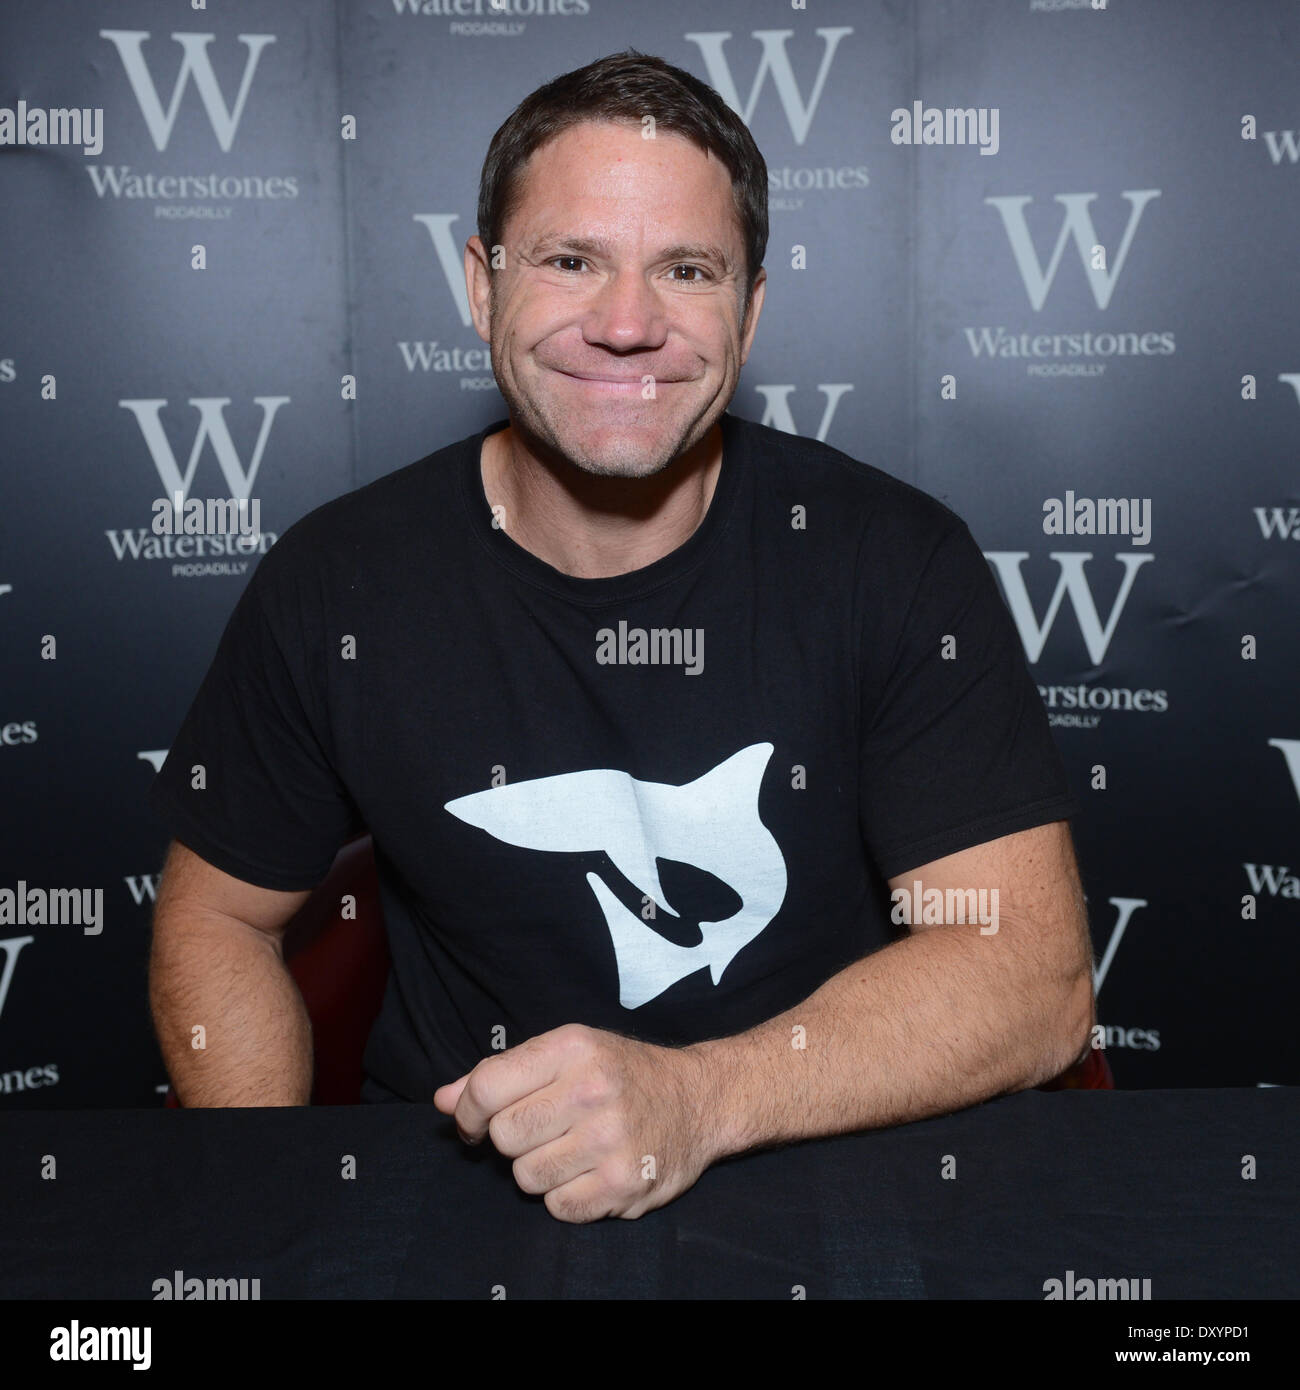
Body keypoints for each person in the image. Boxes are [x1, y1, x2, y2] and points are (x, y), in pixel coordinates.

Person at [148, 49, 1095, 1224]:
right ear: (480, 287)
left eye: (686, 270)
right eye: (570, 260)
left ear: (748, 314)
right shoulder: (335, 581)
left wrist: (695, 1098)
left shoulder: (891, 560)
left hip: (836, 1161)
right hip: (463, 1192)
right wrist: (260, 1201)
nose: (628, 324)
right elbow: (219, 916)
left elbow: (1032, 974)